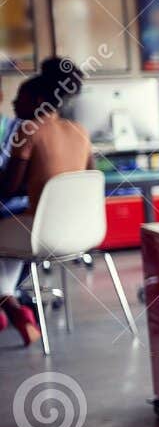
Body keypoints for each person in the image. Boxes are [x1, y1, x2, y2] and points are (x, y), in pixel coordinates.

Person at [0, 58, 94, 346]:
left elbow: (7, 187)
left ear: (38, 101)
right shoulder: (80, 131)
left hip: (39, 233)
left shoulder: (27, 130)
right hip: (81, 232)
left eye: (21, 97)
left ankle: (9, 306)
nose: (14, 104)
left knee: (7, 231)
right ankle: (9, 304)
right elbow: (88, 176)